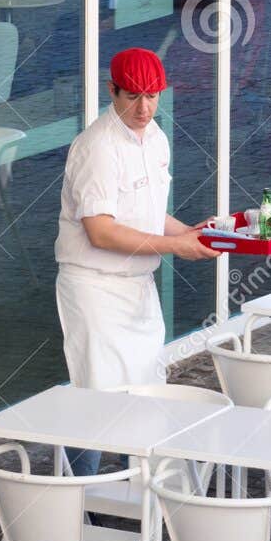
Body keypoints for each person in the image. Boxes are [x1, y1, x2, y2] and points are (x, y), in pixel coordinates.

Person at [55, 47, 219, 475]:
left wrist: (188, 232)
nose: (144, 108)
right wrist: (176, 247)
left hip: (138, 285)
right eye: (133, 96)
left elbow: (146, 213)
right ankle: (78, 497)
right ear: (111, 90)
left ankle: (141, 490)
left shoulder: (157, 139)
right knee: (96, 397)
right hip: (94, 285)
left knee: (146, 392)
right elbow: (101, 231)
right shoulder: (97, 147)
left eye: (152, 96)